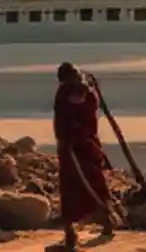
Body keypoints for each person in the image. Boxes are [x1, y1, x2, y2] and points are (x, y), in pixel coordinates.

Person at [53, 62, 115, 251]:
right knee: (86, 186)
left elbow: (82, 122)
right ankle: (102, 223)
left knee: (87, 187)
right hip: (76, 148)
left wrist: (72, 137)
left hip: (81, 148)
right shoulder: (76, 92)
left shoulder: (77, 94)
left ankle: (74, 234)